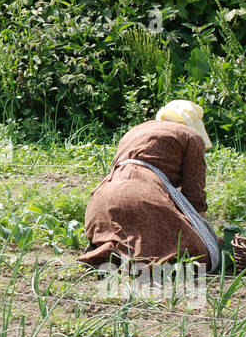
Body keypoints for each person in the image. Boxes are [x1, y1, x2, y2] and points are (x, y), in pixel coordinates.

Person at [79, 100, 220, 270]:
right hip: (142, 196)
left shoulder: (136, 131)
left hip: (102, 200)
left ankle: (110, 249)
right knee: (198, 251)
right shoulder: (190, 136)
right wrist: (207, 234)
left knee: (123, 232)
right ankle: (129, 257)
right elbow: (194, 194)